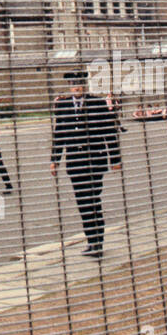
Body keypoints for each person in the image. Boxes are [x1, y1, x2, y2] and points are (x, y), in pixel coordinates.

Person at [50, 71, 121, 260]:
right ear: (69, 86)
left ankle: (98, 241)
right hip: (75, 163)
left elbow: (109, 133)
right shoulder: (63, 106)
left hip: (94, 161)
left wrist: (115, 159)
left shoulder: (97, 104)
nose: (77, 87)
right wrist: (55, 160)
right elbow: (59, 134)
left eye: (80, 84)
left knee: (93, 199)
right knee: (82, 202)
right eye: (74, 84)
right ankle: (91, 240)